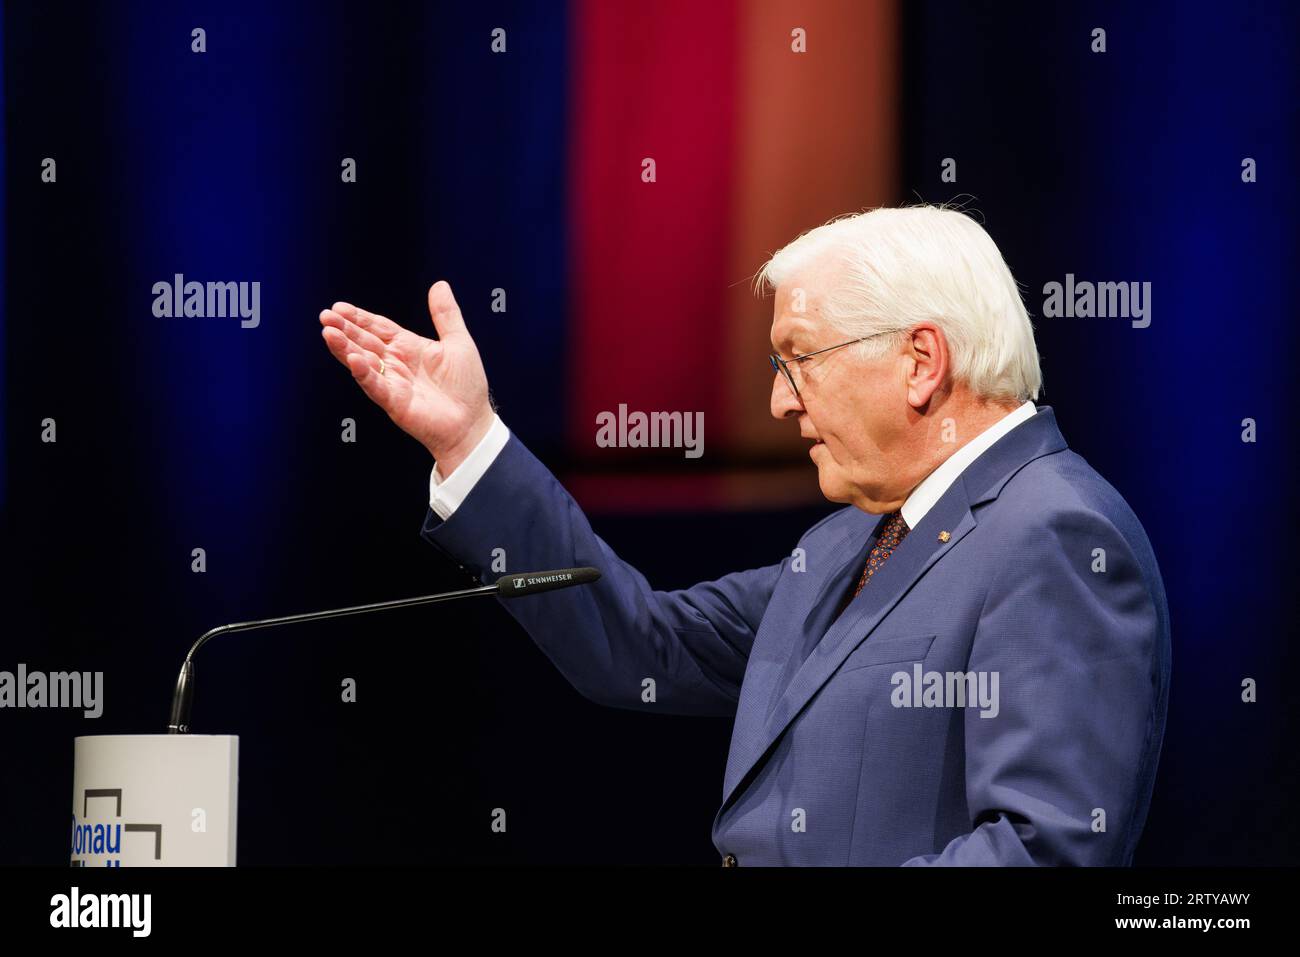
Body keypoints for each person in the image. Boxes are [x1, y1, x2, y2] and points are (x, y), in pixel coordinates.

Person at [318, 205, 1171, 866]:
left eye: (799, 357)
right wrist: (470, 443)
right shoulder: (849, 543)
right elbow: (644, 646)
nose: (780, 401)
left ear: (920, 360)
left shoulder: (1053, 533)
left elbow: (1044, 849)